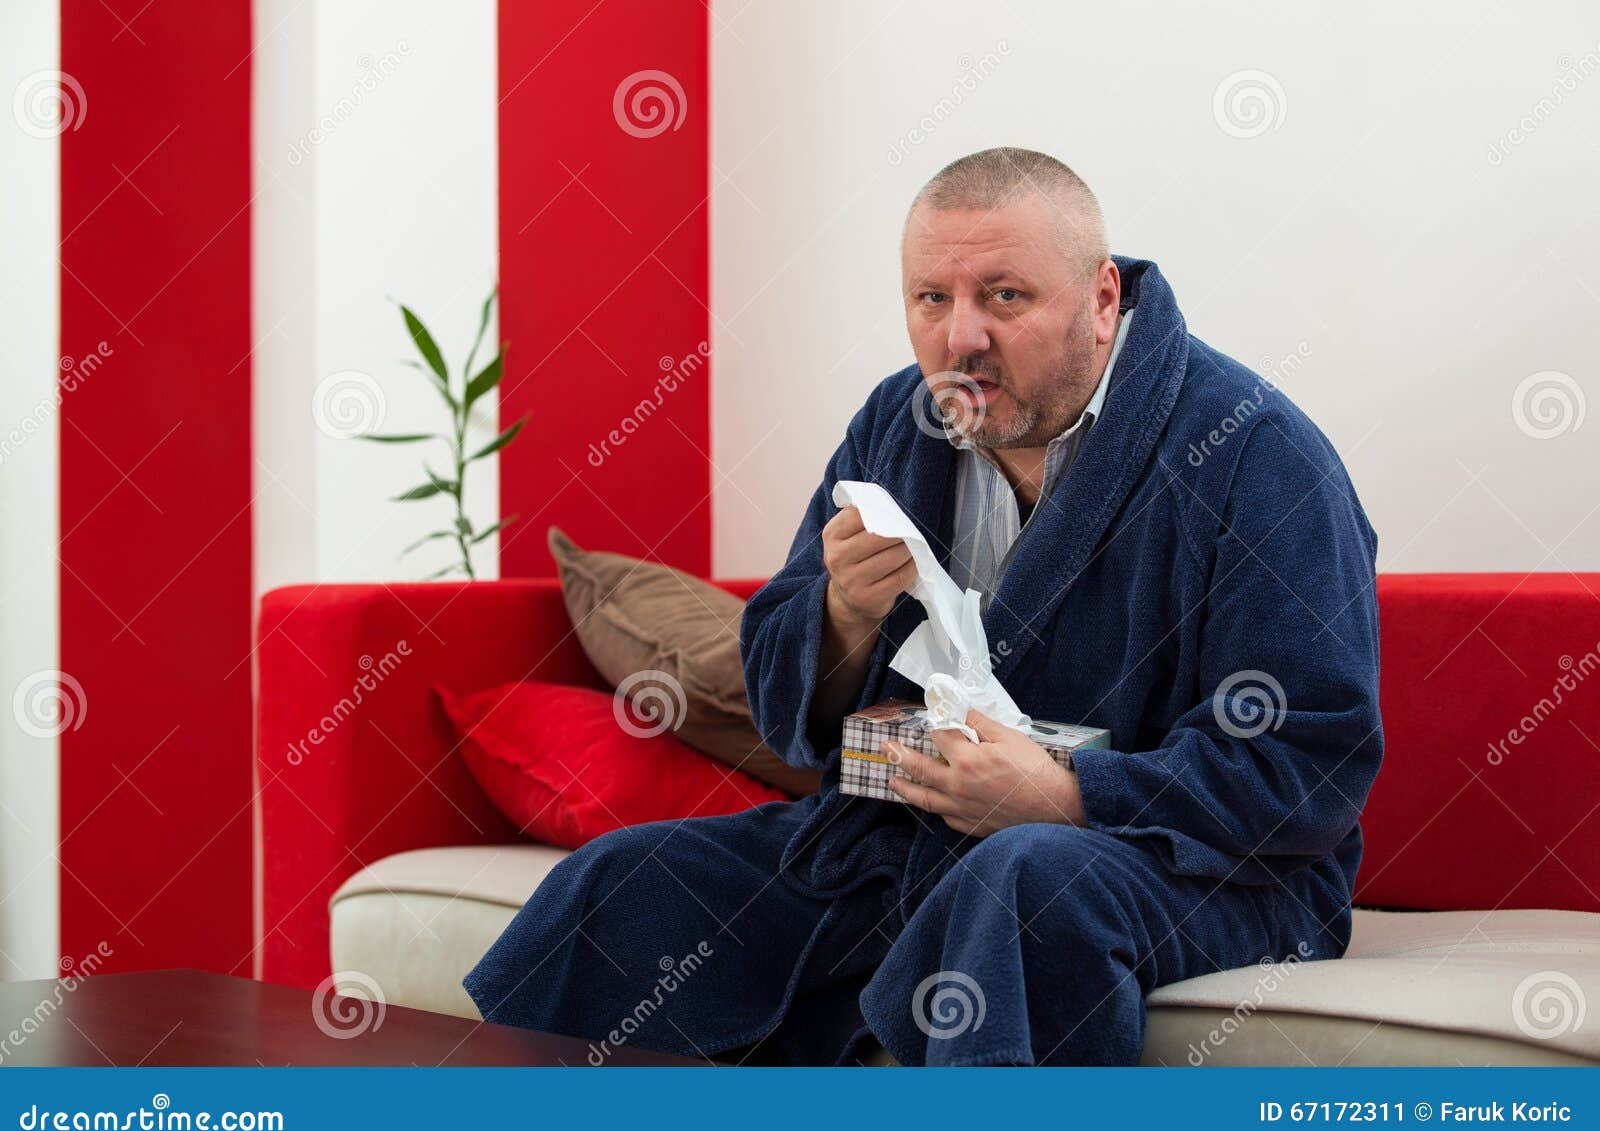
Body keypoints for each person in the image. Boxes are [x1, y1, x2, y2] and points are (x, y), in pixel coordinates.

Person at [465, 146, 1383, 1065]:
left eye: (1005, 296)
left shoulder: (1255, 453)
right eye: (931, 298)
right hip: (909, 843)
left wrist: (1068, 796)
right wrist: (842, 616)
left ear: (1103, 298)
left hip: (1205, 870)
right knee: (627, 884)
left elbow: (1312, 759)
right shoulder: (898, 424)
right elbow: (783, 701)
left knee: (1026, 884)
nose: (960, 338)